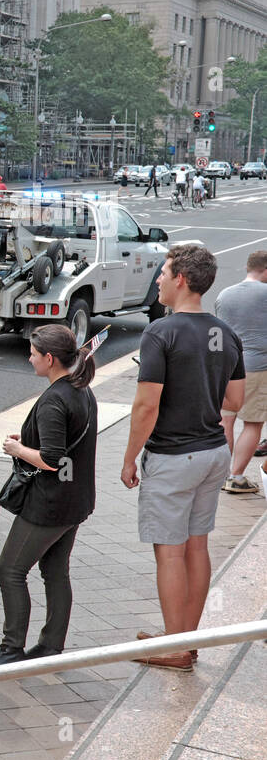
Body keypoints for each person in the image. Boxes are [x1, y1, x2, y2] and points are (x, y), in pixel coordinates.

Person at [122, 244, 245, 672]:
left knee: (169, 553)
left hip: (174, 455)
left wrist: (129, 458)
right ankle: (185, 637)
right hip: (214, 452)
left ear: (181, 279)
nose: (157, 278)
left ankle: (174, 647)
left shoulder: (161, 333)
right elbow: (235, 398)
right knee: (197, 546)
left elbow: (145, 406)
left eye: (163, 271)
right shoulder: (225, 332)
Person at [0, 326, 98, 669]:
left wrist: (18, 448)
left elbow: (52, 459)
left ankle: (12, 647)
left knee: (10, 569)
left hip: (49, 504)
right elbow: (64, 441)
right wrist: (31, 439)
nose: (28, 358)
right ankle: (50, 645)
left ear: (49, 359)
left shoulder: (54, 399)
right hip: (77, 500)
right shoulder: (81, 389)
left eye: (32, 353)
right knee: (56, 570)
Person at [214, 251, 267, 494]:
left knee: (226, 420)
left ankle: (220, 476)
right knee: (253, 422)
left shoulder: (224, 295)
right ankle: (236, 477)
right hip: (257, 367)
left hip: (227, 367)